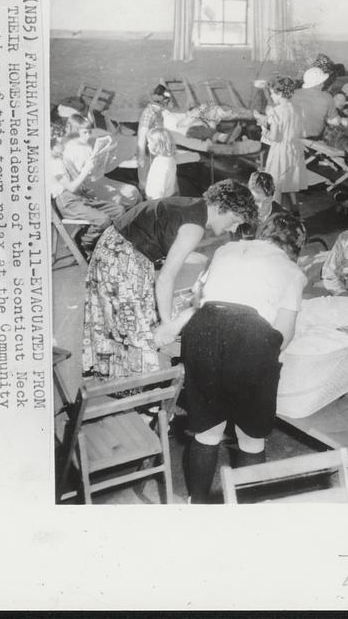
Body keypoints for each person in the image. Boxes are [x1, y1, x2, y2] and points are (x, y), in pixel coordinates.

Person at [167, 213, 309, 503]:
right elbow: (284, 333)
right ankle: (246, 513)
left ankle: (197, 504)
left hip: (204, 329)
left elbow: (198, 299)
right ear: (295, 247)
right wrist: (261, 363)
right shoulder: (293, 272)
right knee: (251, 439)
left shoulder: (225, 249)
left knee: (206, 434)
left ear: (263, 233)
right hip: (251, 337)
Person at [82, 179, 257, 379]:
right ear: (220, 207)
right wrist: (168, 325)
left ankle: (120, 378)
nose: (233, 229)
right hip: (121, 255)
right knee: (141, 327)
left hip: (115, 246)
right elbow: (166, 278)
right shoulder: (194, 227)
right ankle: (140, 390)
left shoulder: (194, 206)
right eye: (234, 220)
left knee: (133, 321)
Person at [48, 136, 125, 258]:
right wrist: (86, 170)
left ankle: (93, 239)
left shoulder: (62, 159)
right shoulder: (52, 164)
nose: (63, 144)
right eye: (60, 143)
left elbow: (77, 182)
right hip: (68, 201)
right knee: (103, 220)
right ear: (51, 147)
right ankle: (85, 241)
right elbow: (71, 187)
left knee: (118, 211)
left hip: (80, 196)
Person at [63, 113, 142, 211]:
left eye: (89, 132)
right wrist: (90, 168)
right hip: (87, 186)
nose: (88, 136)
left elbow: (99, 170)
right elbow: (80, 176)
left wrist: (105, 157)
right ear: (74, 132)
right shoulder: (70, 150)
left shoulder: (85, 145)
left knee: (133, 191)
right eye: (84, 133)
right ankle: (122, 218)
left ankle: (137, 216)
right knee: (119, 197)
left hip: (99, 179)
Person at [261, 76, 307, 215]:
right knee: (291, 183)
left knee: (276, 185)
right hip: (294, 149)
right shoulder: (298, 109)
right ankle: (296, 212)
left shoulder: (276, 112)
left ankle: (274, 215)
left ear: (279, 93)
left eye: (272, 94)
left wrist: (264, 130)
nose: (272, 97)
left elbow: (274, 137)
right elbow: (302, 132)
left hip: (280, 151)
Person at [136, 84, 173, 188]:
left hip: (156, 150)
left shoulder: (158, 112)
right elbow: (142, 136)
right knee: (146, 180)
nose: (167, 102)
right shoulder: (149, 113)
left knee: (157, 179)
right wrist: (141, 156)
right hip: (148, 151)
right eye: (166, 99)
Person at [233, 171, 287, 241]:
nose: (261, 207)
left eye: (266, 201)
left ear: (272, 198)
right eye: (256, 201)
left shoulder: (284, 219)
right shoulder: (238, 218)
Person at [291, 66, 338, 139]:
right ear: (320, 83)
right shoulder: (327, 97)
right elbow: (335, 121)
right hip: (314, 140)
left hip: (294, 138)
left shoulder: (293, 94)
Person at [143, 127, 178, 200]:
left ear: (157, 145)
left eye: (149, 143)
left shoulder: (160, 165)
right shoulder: (169, 159)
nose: (147, 145)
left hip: (155, 200)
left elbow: (159, 188)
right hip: (167, 196)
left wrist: (154, 203)